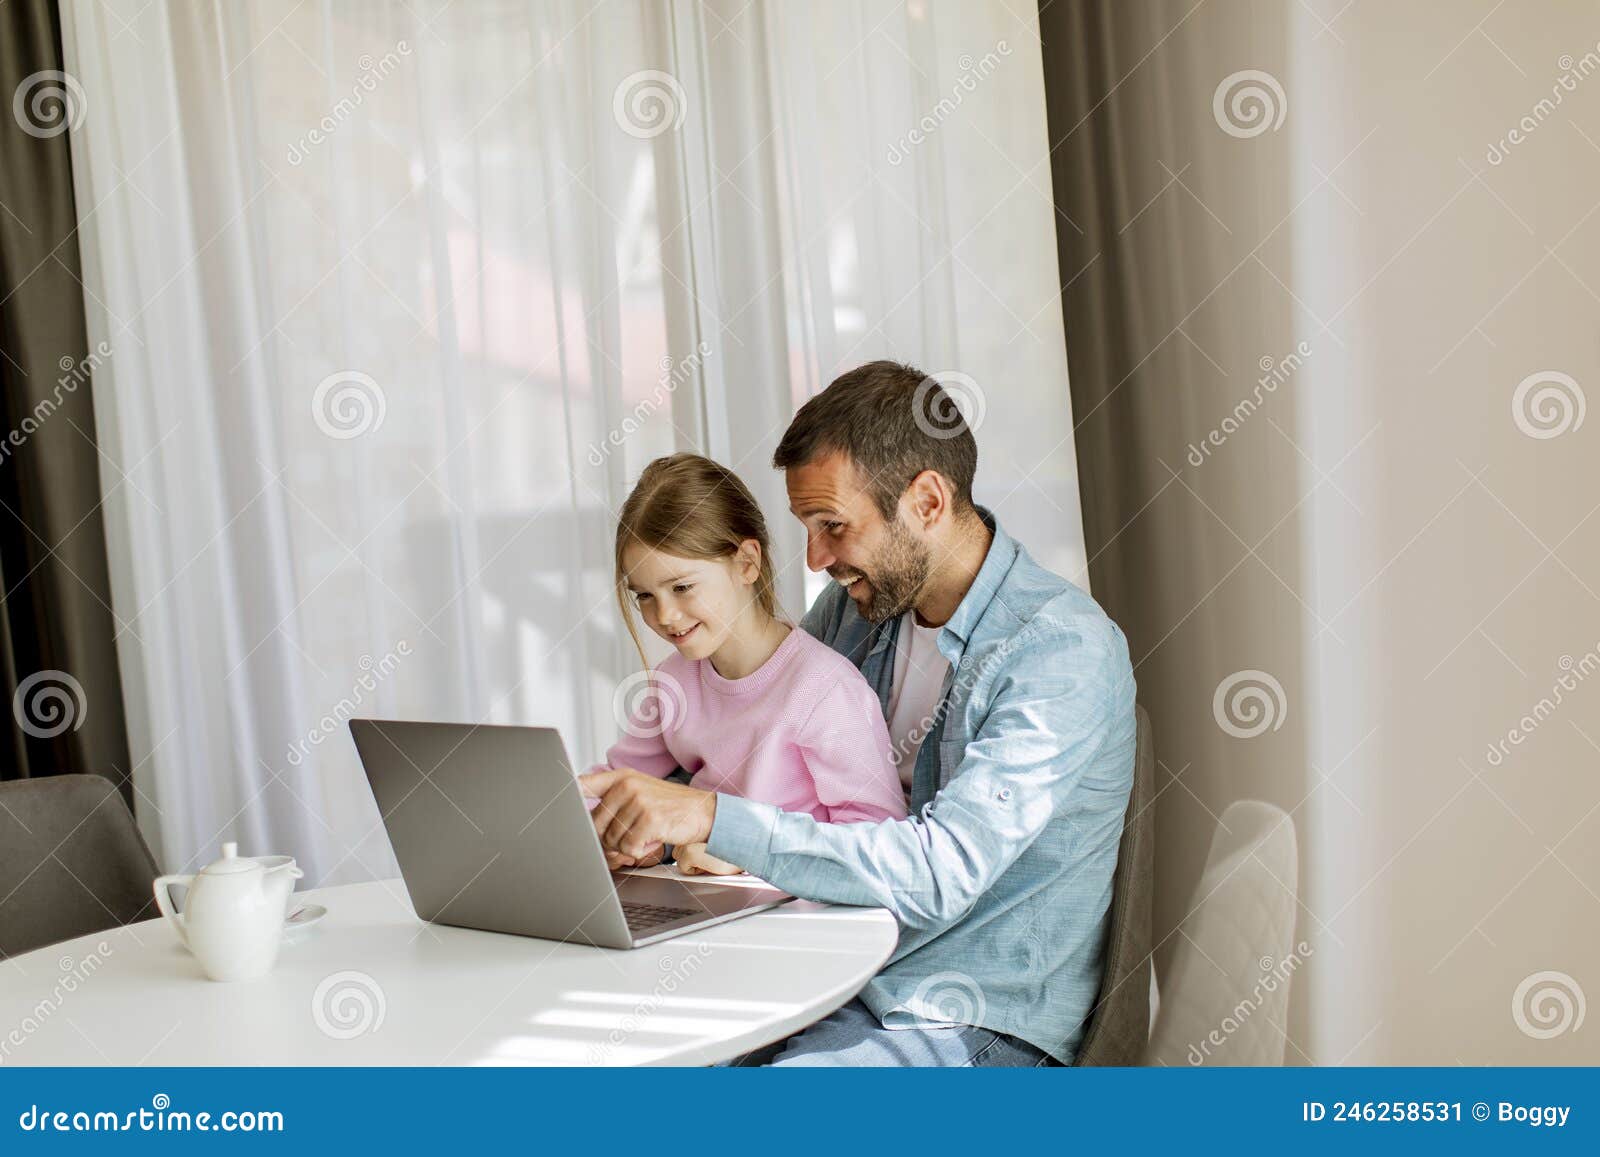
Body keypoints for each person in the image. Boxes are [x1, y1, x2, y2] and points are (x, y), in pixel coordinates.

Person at [582, 362, 1136, 1065]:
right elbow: (760, 740)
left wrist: (711, 818)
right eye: (808, 528)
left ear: (928, 501)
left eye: (833, 525)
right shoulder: (858, 610)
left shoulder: (1058, 650)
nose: (815, 558)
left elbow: (942, 872)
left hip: (965, 1013)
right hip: (829, 976)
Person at [592, 452, 905, 876]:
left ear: (746, 563)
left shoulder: (824, 689)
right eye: (644, 595)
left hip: (801, 916)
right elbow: (619, 781)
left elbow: (877, 839)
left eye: (681, 586)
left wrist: (748, 856)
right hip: (710, 904)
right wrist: (605, 829)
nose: (663, 615)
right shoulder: (672, 682)